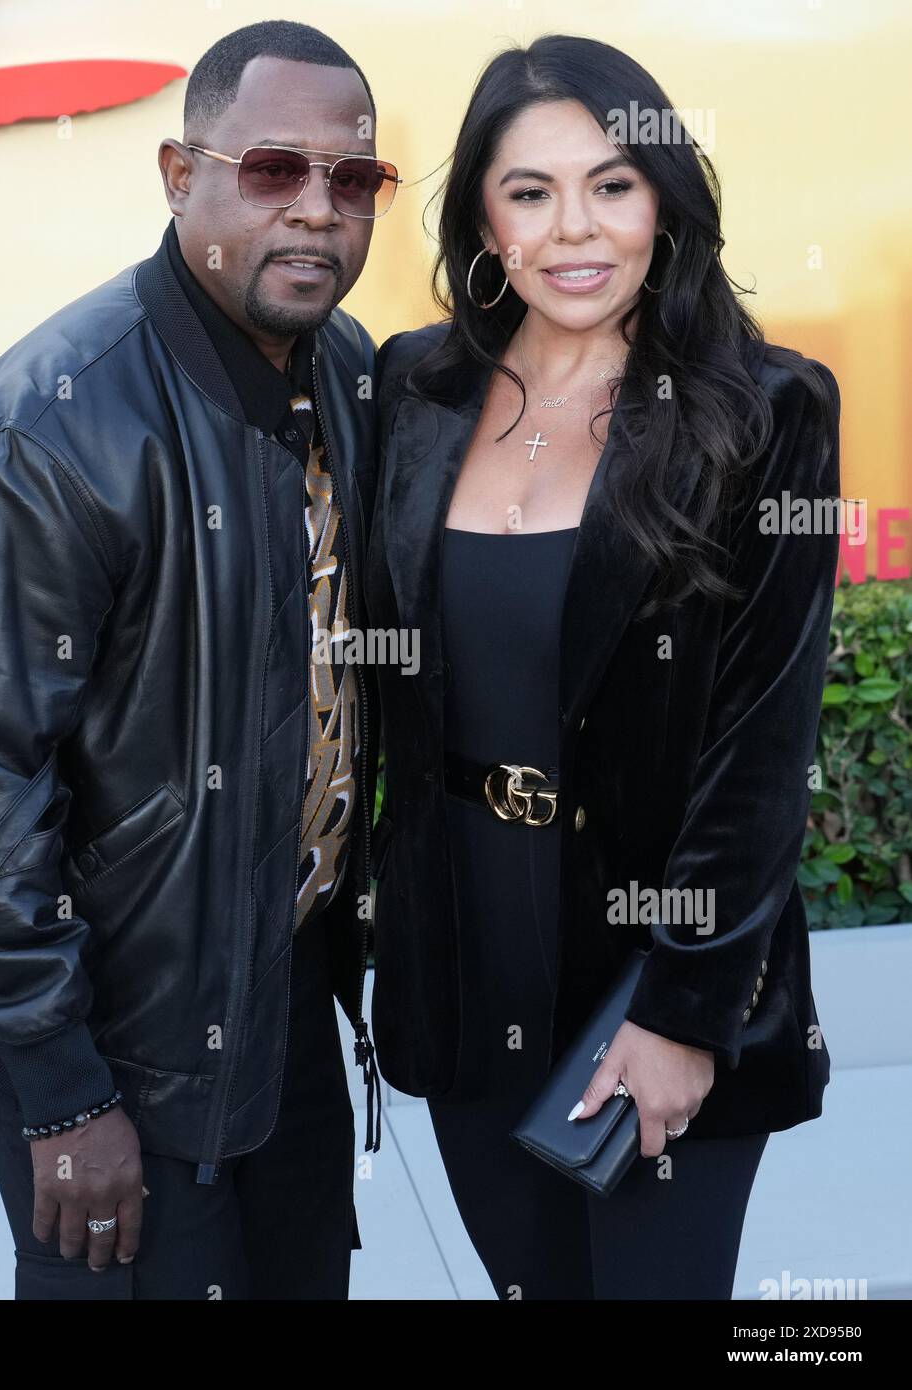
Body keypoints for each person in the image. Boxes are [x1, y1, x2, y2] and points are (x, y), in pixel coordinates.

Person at [0, 19, 399, 1299]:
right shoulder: (51, 424)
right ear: (183, 176)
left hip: (285, 996)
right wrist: (60, 1096)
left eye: (351, 181)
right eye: (273, 170)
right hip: (117, 1034)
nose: (317, 212)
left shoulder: (345, 373)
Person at [365, 34, 840, 1300]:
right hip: (465, 968)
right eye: (529, 191)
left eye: (613, 184)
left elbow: (758, 755)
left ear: (665, 199)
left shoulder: (766, 411)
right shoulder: (410, 390)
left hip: (654, 971)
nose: (574, 228)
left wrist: (686, 1014)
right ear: (481, 213)